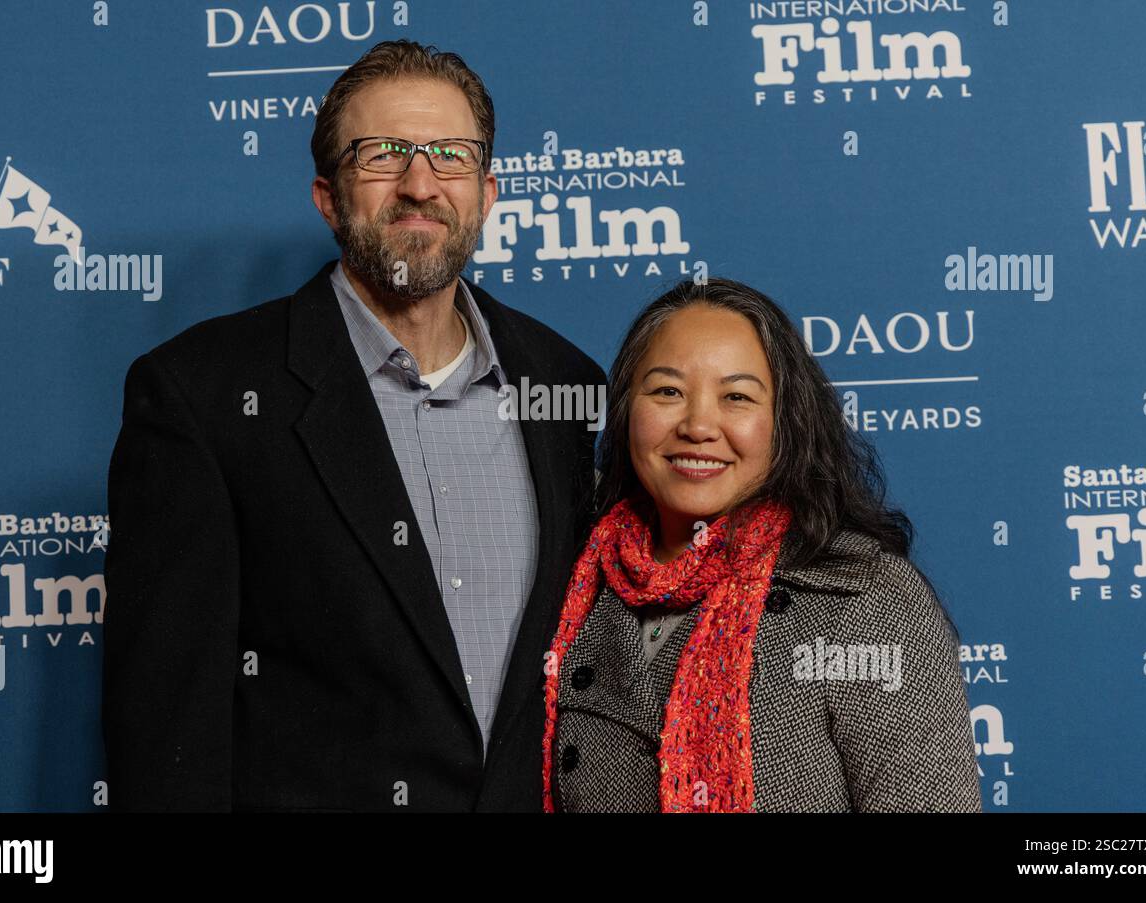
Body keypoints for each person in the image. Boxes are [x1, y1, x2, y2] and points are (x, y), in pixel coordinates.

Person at [102, 40, 604, 811]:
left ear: (488, 189)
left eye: (449, 155)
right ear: (328, 197)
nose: (419, 183)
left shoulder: (566, 384)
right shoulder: (201, 396)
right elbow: (168, 728)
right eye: (382, 156)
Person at [543, 278, 982, 812]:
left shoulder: (863, 597)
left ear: (784, 421)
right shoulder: (581, 583)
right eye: (667, 392)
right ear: (625, 411)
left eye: (736, 397)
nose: (699, 426)